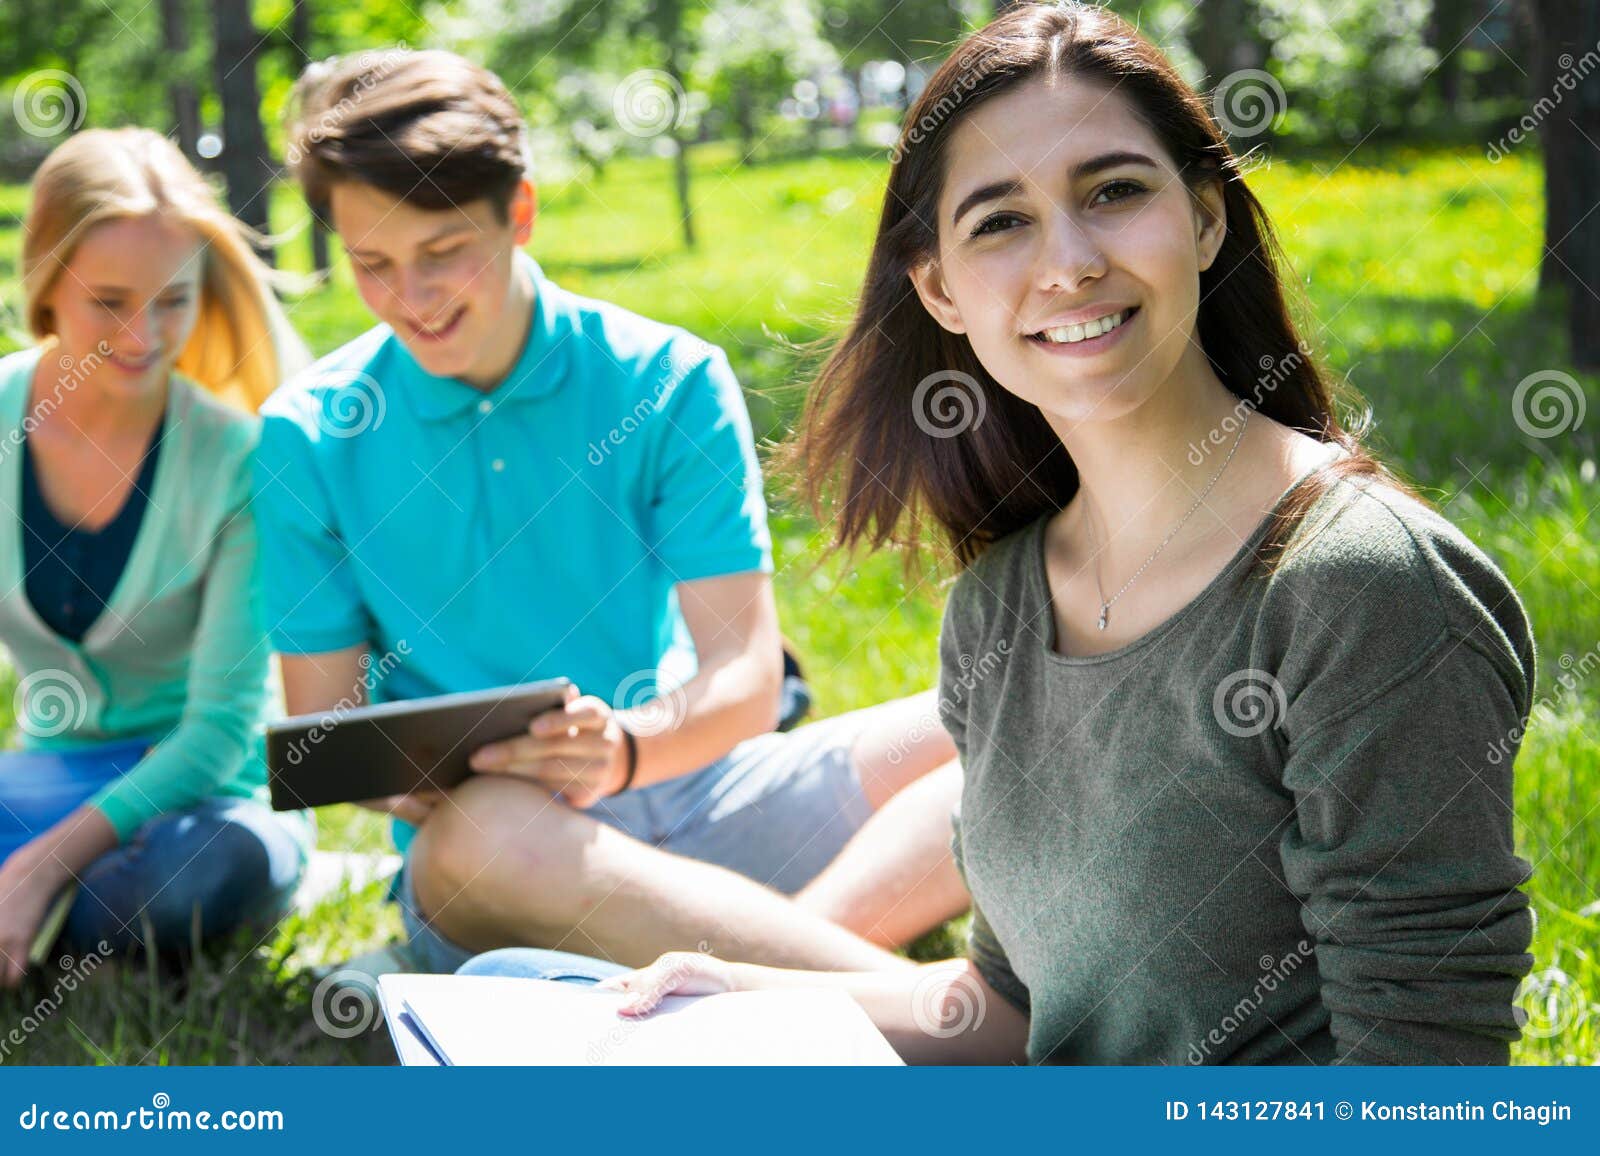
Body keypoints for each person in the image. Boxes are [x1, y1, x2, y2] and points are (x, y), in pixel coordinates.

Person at [462, 3, 1538, 1065]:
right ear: (937, 287)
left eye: (1113, 192)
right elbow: (1014, 1007)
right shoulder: (1003, 601)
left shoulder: (1361, 585)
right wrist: (736, 992)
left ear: (1204, 219)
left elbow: (1423, 1085)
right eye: (1000, 221)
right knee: (507, 990)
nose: (1066, 262)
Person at [259, 49, 965, 976]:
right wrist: (414, 787)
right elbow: (326, 735)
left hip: (695, 786)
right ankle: (921, 1014)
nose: (413, 300)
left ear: (519, 211)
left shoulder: (665, 379)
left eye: (442, 254)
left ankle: (733, 974)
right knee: (478, 842)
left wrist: (623, 752)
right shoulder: (309, 435)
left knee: (994, 727)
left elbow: (745, 680)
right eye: (372, 265)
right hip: (509, 851)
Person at [0, 129, 313, 985]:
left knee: (201, 877)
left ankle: (51, 915)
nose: (144, 335)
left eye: (173, 301)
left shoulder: (238, 462)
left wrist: (40, 866)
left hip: (201, 801)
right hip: (47, 778)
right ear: (46, 286)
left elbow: (216, 736)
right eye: (109, 301)